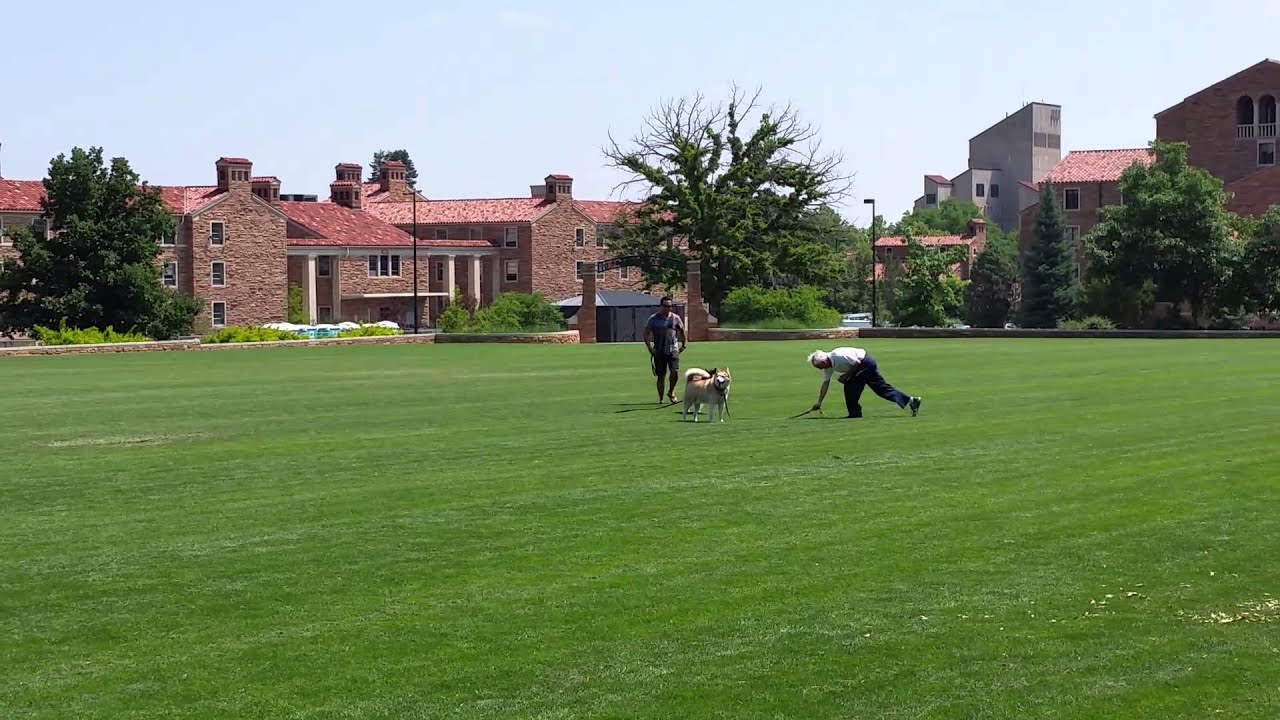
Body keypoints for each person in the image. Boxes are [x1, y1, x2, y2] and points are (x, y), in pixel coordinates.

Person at [807, 347, 922, 419]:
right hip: (863, 366)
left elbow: (857, 362)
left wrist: (847, 375)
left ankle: (855, 414)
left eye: (819, 366)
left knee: (850, 387)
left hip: (865, 363)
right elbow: (825, 384)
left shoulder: (838, 355)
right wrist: (819, 402)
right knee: (881, 389)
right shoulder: (828, 367)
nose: (820, 369)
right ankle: (912, 401)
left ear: (824, 360)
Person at [644, 296, 687, 404]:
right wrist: (650, 348)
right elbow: (646, 333)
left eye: (670, 306)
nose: (667, 308)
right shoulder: (653, 319)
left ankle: (671, 392)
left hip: (673, 349)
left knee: (674, 371)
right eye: (665, 306)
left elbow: (682, 332)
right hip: (659, 350)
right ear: (660, 306)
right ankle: (661, 398)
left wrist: (683, 345)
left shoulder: (675, 318)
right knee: (661, 375)